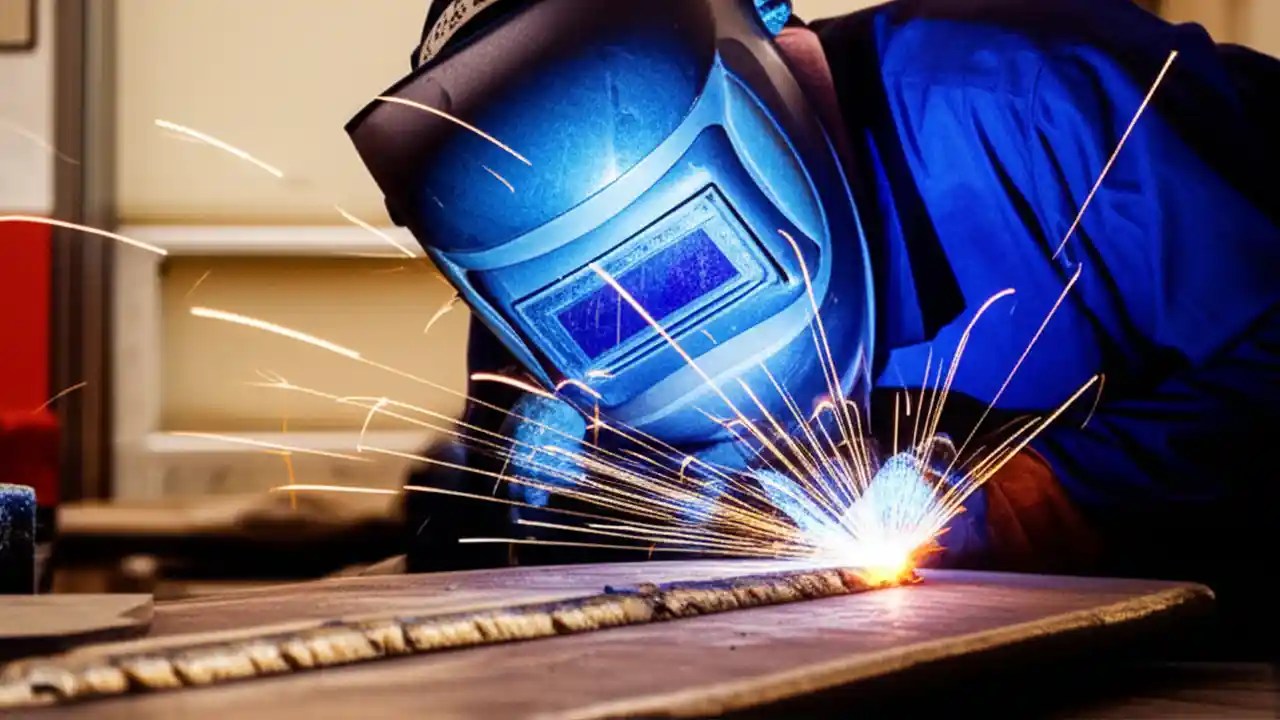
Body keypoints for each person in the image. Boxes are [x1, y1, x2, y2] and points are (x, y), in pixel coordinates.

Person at [347, 0, 1279, 654]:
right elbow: (481, 525)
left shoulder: (1035, 105)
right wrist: (537, 508)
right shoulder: (527, 265)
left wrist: (1061, 483)